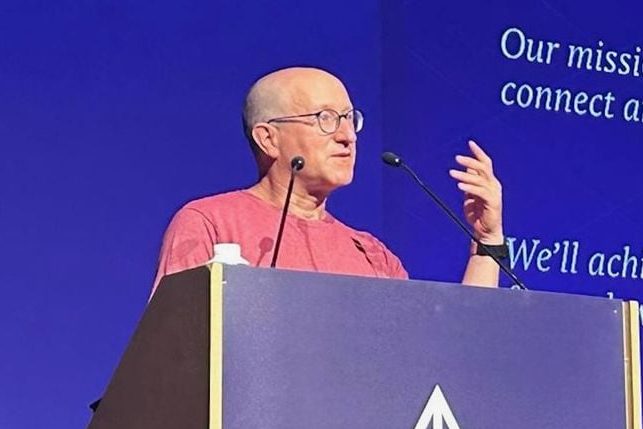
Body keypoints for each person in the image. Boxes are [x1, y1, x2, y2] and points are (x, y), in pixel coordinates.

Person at [152, 67, 507, 293]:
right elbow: (174, 350)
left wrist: (487, 241)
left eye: (349, 119)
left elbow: (448, 354)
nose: (347, 136)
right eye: (325, 118)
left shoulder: (373, 256)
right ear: (268, 139)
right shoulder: (210, 224)